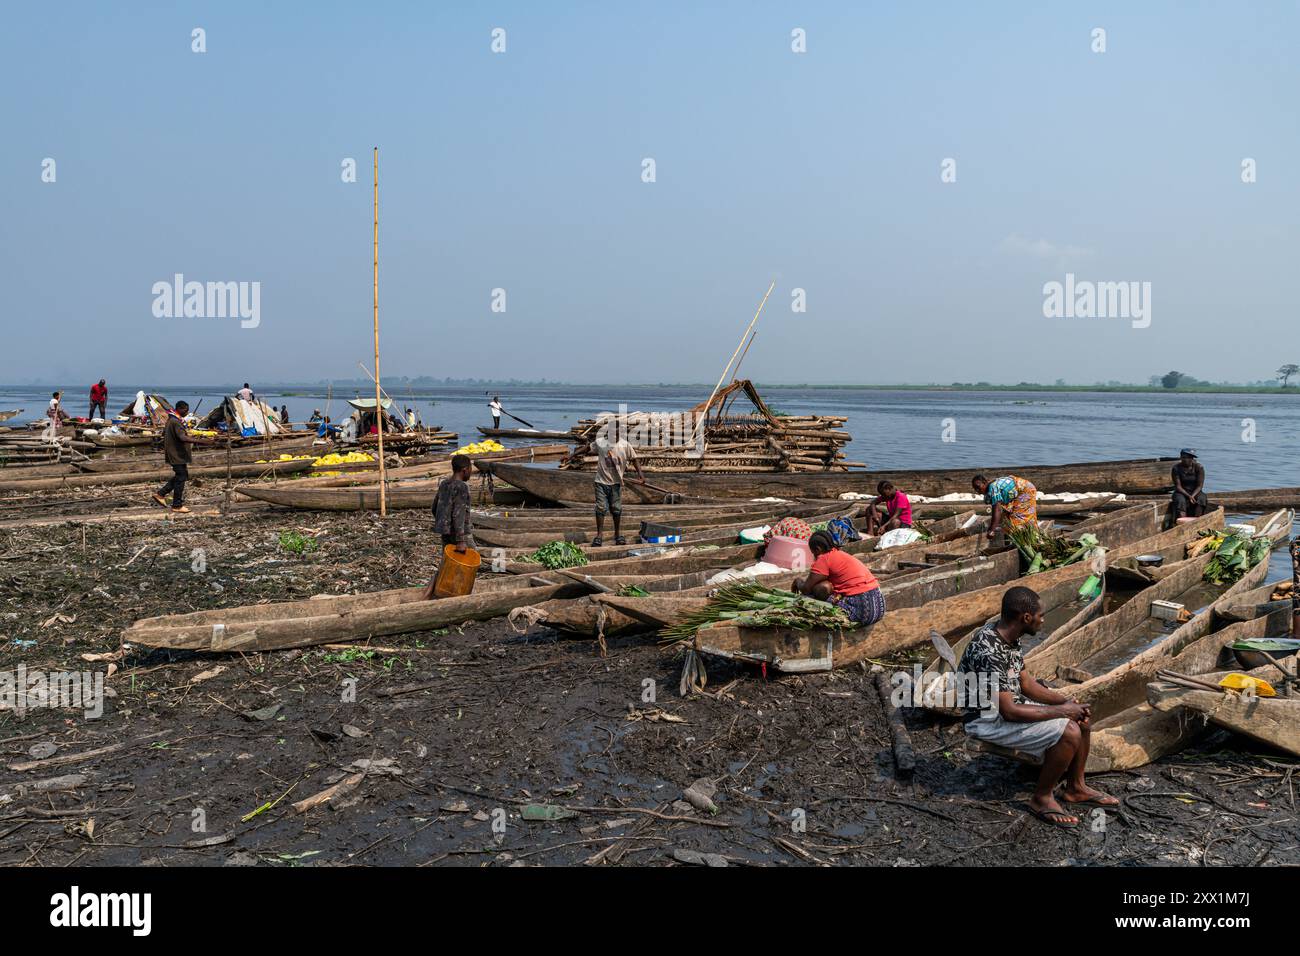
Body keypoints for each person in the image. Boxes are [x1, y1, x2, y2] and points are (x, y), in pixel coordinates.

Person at [957, 585, 1117, 827]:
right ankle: (1041, 798)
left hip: (1007, 707)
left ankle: (1076, 787)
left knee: (1081, 720)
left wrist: (1065, 702)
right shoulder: (989, 650)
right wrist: (1063, 712)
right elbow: (1009, 711)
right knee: (1069, 731)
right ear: (1026, 618)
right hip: (985, 720)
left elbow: (1026, 683)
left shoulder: (1010, 637)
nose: (1043, 620)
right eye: (1041, 616)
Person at [792, 530, 886, 625]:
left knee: (815, 592)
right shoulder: (840, 554)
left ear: (818, 549)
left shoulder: (823, 559)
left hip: (863, 611)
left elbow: (806, 589)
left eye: (813, 553)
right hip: (879, 605)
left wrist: (798, 581)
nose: (814, 556)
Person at [422, 454, 476, 600]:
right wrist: (460, 540)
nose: (471, 472)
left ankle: (428, 594)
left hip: (445, 531)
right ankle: (461, 594)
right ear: (465, 470)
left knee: (445, 562)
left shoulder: (444, 484)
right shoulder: (461, 487)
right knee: (473, 561)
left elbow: (434, 508)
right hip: (460, 533)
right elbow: (458, 515)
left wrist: (443, 523)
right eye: (470, 469)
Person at [151, 400, 209, 513]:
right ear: (180, 409)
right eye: (186, 410)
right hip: (176, 454)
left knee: (182, 475)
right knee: (181, 477)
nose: (187, 413)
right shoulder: (175, 422)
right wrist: (202, 441)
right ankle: (177, 505)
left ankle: (160, 494)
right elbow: (182, 437)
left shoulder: (173, 420)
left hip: (176, 453)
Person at [592, 432, 645, 547]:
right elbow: (587, 448)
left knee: (616, 509)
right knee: (600, 508)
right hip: (601, 482)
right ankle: (599, 536)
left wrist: (640, 475)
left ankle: (617, 534)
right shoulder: (601, 442)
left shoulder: (625, 445)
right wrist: (571, 456)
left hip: (616, 483)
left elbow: (634, 459)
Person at [973, 474, 1037, 539]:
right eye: (975, 489)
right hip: (1017, 492)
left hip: (1025, 490)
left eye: (978, 487)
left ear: (984, 483)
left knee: (1016, 520)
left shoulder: (993, 488)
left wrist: (991, 530)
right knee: (1007, 519)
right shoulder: (990, 489)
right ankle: (1013, 539)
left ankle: (1025, 538)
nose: (977, 491)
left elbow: (997, 510)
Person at [1171, 449, 1207, 520]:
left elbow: (1200, 486)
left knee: (1201, 498)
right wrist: (1189, 496)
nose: (1187, 459)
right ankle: (1182, 521)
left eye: (1190, 458)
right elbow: (1178, 486)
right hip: (1181, 492)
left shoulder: (1199, 467)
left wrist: (1192, 496)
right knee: (1180, 500)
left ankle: (1197, 520)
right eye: (1184, 457)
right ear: (1181, 457)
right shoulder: (1176, 468)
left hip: (1196, 491)